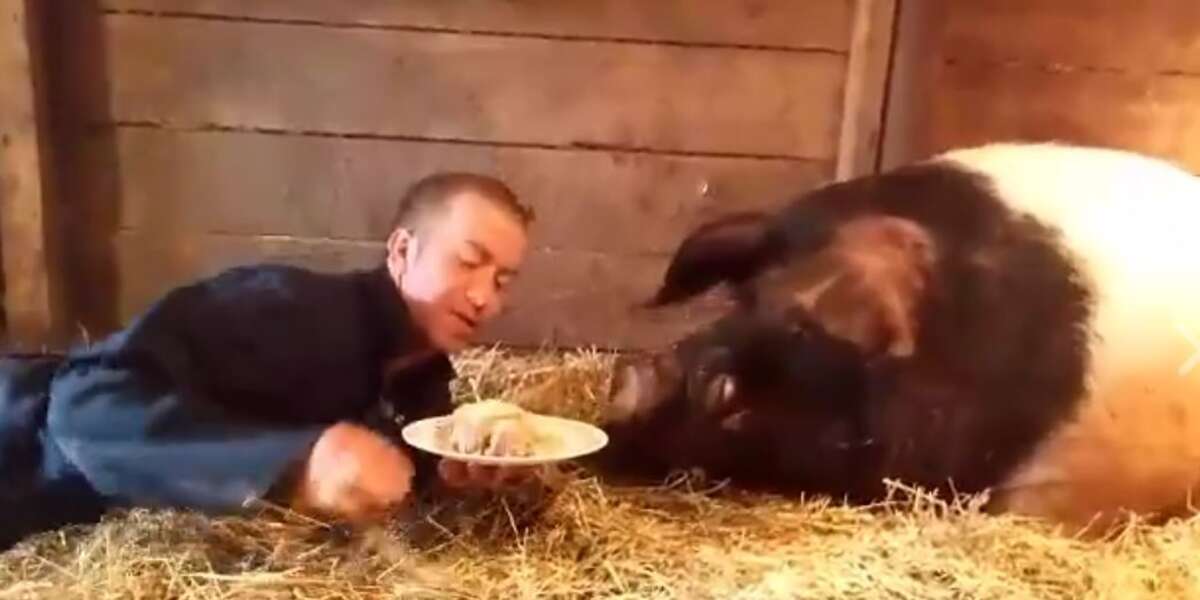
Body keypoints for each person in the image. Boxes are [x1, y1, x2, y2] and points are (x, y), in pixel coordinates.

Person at [0, 172, 536, 549]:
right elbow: (85, 403)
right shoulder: (292, 311)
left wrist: (449, 481)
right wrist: (296, 463)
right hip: (22, 452)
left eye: (503, 281)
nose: (484, 296)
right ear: (400, 251)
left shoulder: (421, 386)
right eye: (468, 262)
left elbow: (385, 491)